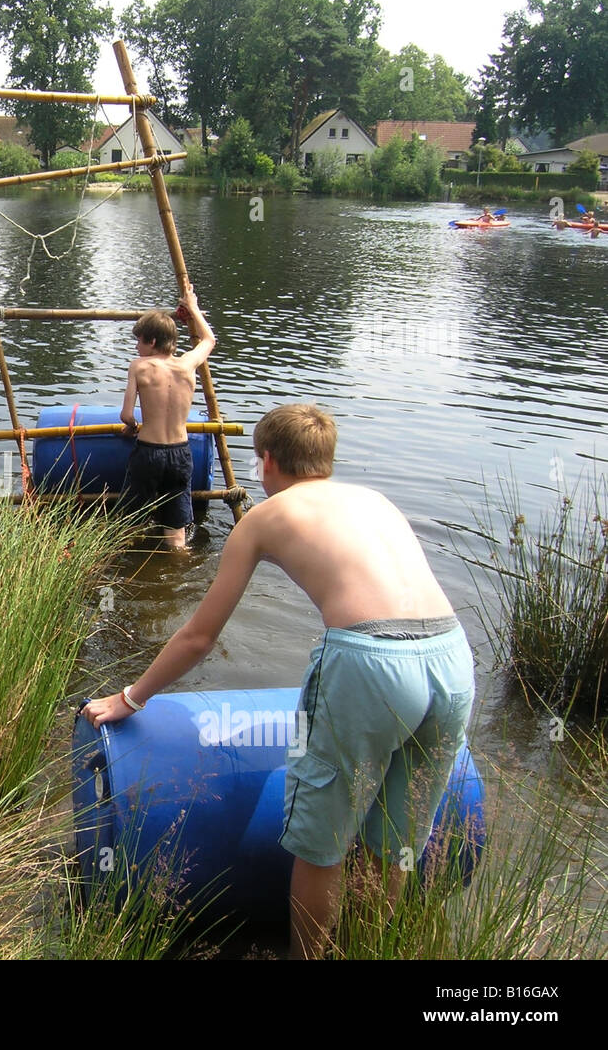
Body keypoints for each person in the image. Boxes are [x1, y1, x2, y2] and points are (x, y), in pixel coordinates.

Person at [82, 404, 475, 959]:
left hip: (371, 664)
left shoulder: (264, 518)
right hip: (452, 659)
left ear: (266, 461)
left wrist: (130, 697)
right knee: (396, 841)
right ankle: (366, 949)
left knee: (321, 844)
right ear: (327, 459)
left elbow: (199, 637)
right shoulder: (376, 500)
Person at [116, 285, 216, 550]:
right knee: (176, 532)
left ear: (151, 342)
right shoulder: (187, 364)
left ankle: (128, 567)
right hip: (180, 454)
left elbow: (126, 414)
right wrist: (193, 307)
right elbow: (209, 341)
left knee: (129, 521)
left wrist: (133, 426)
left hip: (148, 452)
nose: (137, 347)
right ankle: (178, 567)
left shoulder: (140, 366)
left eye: (139, 341)